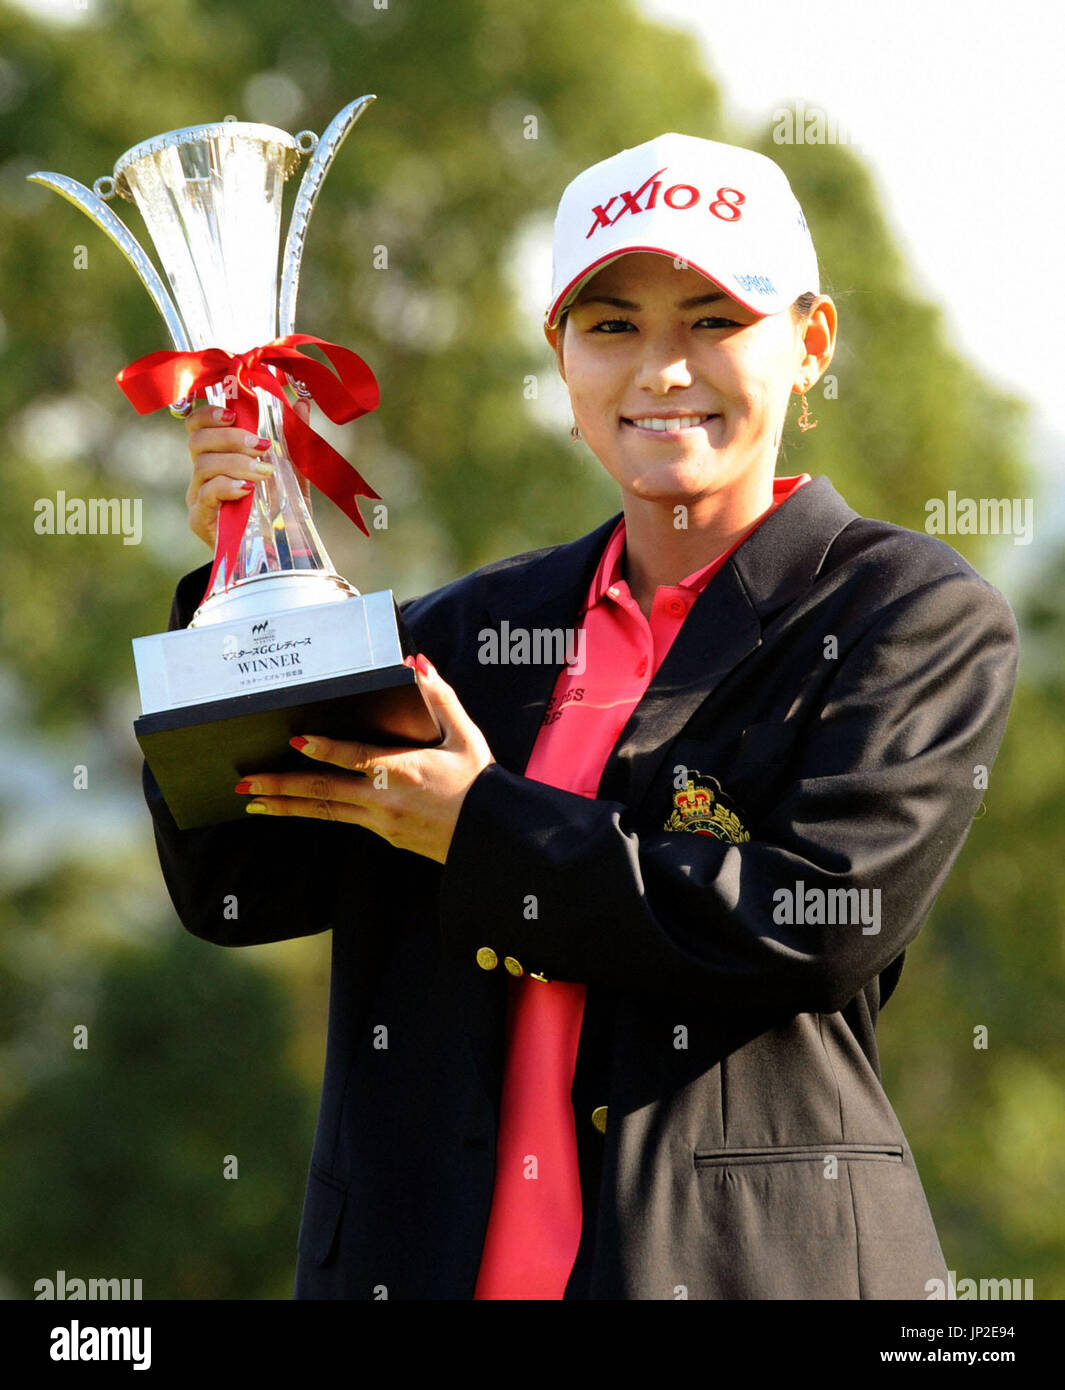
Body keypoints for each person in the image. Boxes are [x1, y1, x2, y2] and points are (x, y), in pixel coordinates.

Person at [146, 133, 1019, 1299]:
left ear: (810, 345)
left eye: (715, 319)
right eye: (611, 325)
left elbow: (811, 921)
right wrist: (231, 586)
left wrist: (480, 826)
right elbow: (238, 884)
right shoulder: (461, 633)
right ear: (559, 361)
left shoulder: (908, 614)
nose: (662, 367)